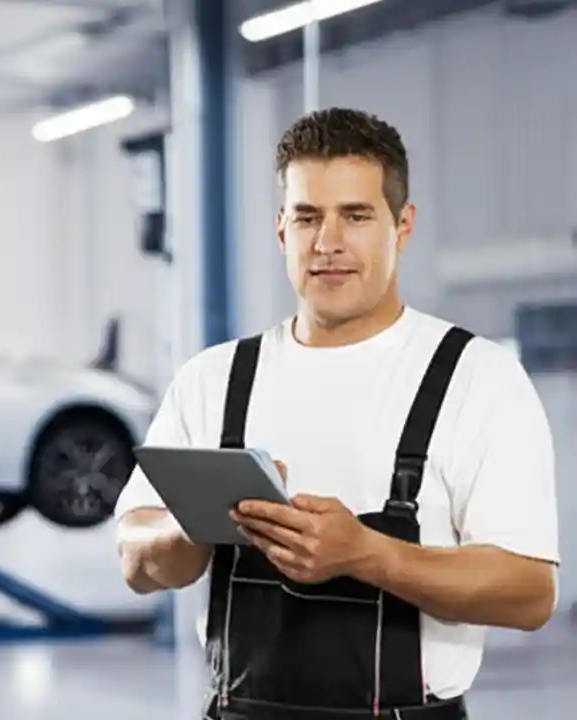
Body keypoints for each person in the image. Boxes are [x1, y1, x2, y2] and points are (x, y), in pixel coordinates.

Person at [115, 107, 560, 719]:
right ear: (281, 230)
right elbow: (135, 557)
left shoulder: (476, 378)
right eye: (307, 217)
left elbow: (529, 593)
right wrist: (192, 526)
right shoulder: (213, 380)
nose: (328, 243)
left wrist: (366, 554)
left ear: (402, 226)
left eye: (356, 215)